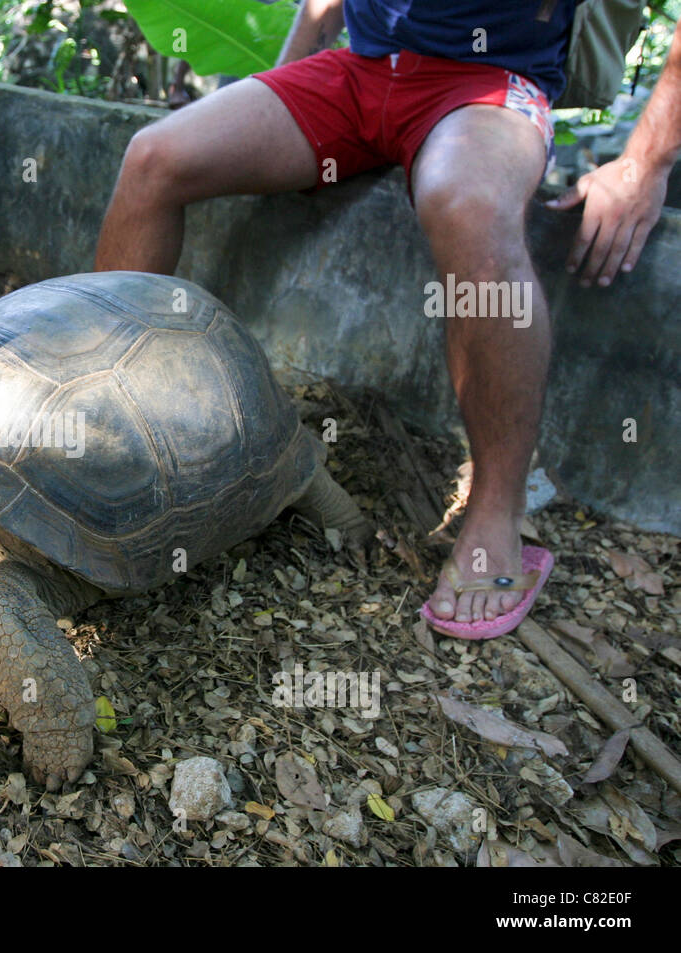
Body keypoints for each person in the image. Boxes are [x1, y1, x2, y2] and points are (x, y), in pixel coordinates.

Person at [94, 0, 680, 639]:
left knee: (470, 205)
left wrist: (643, 164)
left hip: (486, 86)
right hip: (359, 72)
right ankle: (99, 429)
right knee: (153, 156)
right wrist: (283, 93)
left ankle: (496, 508)